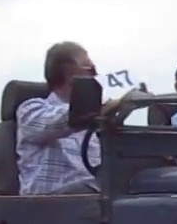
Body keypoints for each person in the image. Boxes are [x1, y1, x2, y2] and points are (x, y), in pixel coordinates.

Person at [15, 41, 130, 196]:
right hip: (50, 202)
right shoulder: (31, 110)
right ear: (70, 74)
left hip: (92, 200)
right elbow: (58, 122)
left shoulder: (95, 124)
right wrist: (107, 107)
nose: (96, 76)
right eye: (91, 69)